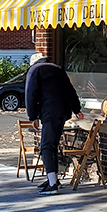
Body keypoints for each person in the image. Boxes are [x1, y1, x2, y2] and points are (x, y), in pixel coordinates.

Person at [25, 52, 83, 194]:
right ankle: (54, 178)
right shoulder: (57, 69)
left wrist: (33, 117)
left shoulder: (34, 70)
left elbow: (30, 94)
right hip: (63, 111)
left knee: (46, 146)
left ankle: (52, 184)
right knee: (52, 145)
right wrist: (76, 109)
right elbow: (70, 90)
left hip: (49, 112)